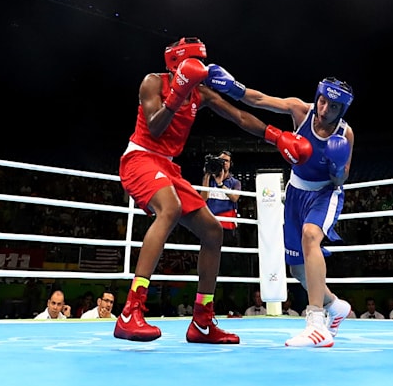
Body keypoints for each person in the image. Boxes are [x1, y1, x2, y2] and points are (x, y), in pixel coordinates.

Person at [114, 38, 312, 344]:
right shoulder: (153, 83)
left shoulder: (202, 93)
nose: (201, 68)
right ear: (177, 65)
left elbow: (239, 116)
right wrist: (178, 93)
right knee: (170, 208)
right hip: (140, 157)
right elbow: (154, 127)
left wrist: (276, 136)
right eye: (195, 63)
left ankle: (202, 322)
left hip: (168, 166)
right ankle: (131, 311)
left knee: (212, 231)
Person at [208, 70, 356, 347]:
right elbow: (259, 99)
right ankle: (334, 306)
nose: (325, 110)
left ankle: (316, 322)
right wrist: (231, 87)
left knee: (311, 235)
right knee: (298, 270)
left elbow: (340, 179)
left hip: (324, 193)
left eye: (334, 106)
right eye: (323, 101)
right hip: (295, 192)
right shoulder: (301, 111)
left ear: (342, 109)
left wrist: (336, 165)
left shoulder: (344, 133)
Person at [200, 150, 242, 247]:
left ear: (230, 164)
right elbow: (203, 199)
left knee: (228, 253)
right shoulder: (209, 181)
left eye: (226, 161)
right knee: (209, 252)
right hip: (211, 223)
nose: (223, 163)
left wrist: (220, 184)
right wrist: (207, 175)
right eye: (221, 160)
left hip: (227, 225)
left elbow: (235, 198)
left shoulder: (235, 182)